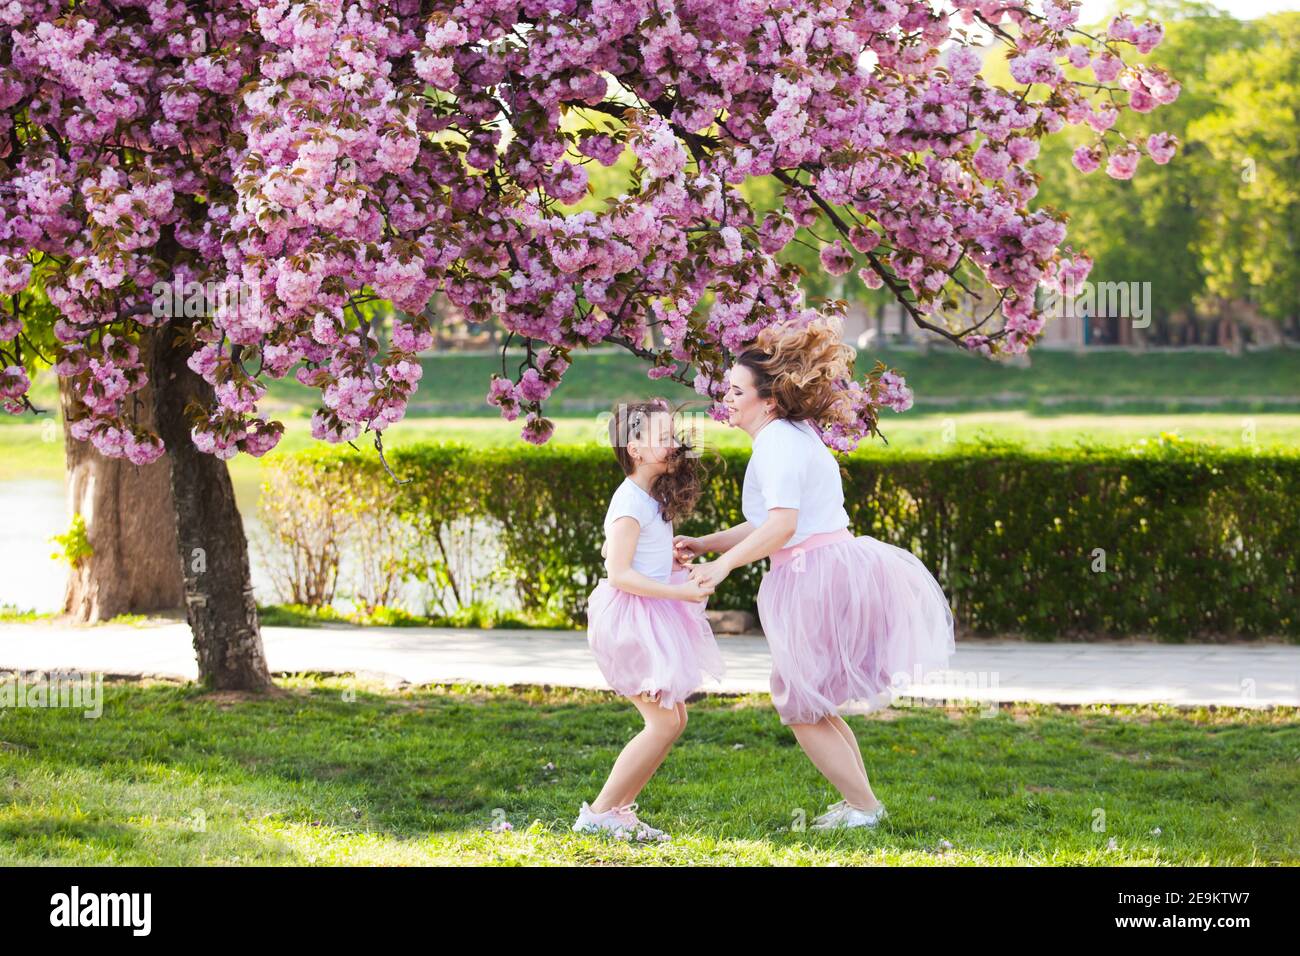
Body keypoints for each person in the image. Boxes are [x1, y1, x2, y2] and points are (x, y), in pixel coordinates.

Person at [676, 319, 956, 830]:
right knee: (811, 697)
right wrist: (706, 543)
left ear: (768, 400)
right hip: (828, 567)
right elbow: (769, 521)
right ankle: (861, 805)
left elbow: (782, 527)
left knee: (800, 703)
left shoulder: (777, 444)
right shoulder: (791, 435)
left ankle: (865, 810)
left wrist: (721, 566)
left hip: (813, 576)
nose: (726, 397)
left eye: (737, 390)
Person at [572, 399, 725, 842]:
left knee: (674, 721)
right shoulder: (628, 504)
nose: (673, 444)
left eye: (673, 434)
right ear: (634, 449)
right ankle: (599, 814)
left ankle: (617, 812)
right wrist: (679, 591)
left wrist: (675, 565)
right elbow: (619, 573)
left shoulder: (651, 498)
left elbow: (645, 564)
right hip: (630, 622)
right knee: (661, 723)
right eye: (661, 438)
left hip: (652, 614)